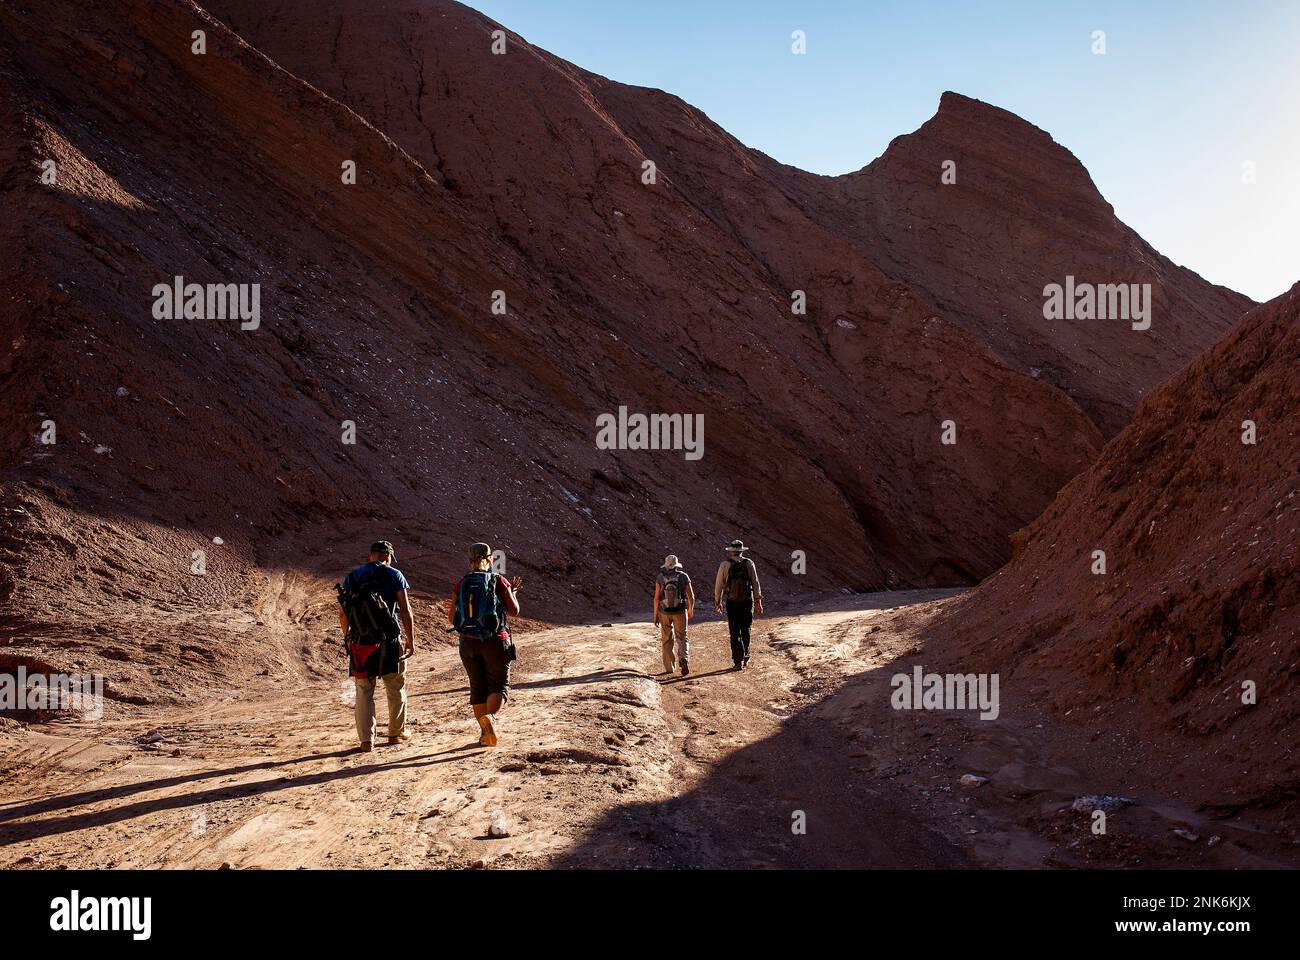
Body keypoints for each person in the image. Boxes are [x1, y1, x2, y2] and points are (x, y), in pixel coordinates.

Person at [338, 540, 415, 751]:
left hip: (360, 643)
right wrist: (410, 639)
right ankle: (395, 733)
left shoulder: (352, 577)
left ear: (370, 555)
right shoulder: (394, 574)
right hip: (389, 641)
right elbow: (405, 609)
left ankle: (366, 740)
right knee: (395, 686)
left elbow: (343, 613)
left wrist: (349, 639)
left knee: (363, 690)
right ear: (388, 557)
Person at [449, 543, 521, 747]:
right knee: (498, 685)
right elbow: (514, 611)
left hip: (467, 643)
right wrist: (513, 592)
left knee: (478, 688)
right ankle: (491, 718)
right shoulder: (498, 580)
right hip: (495, 641)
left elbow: (451, 618)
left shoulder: (462, 582)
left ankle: (485, 734)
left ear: (469, 560)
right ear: (489, 559)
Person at [714, 540, 763, 671]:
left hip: (732, 602)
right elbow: (755, 582)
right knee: (746, 629)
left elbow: (719, 584)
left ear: (731, 551)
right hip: (747, 601)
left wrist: (718, 601)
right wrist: (758, 601)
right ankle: (746, 654)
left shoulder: (725, 565)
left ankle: (737, 661)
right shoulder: (749, 563)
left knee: (734, 631)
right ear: (742, 551)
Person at [653, 554, 696, 676]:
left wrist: (655, 615)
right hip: (680, 611)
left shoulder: (660, 577)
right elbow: (691, 596)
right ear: (677, 565)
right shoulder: (683, 577)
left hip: (664, 612)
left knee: (666, 639)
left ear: (666, 565)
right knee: (682, 637)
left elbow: (656, 598)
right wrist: (690, 609)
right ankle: (683, 658)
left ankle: (669, 668)